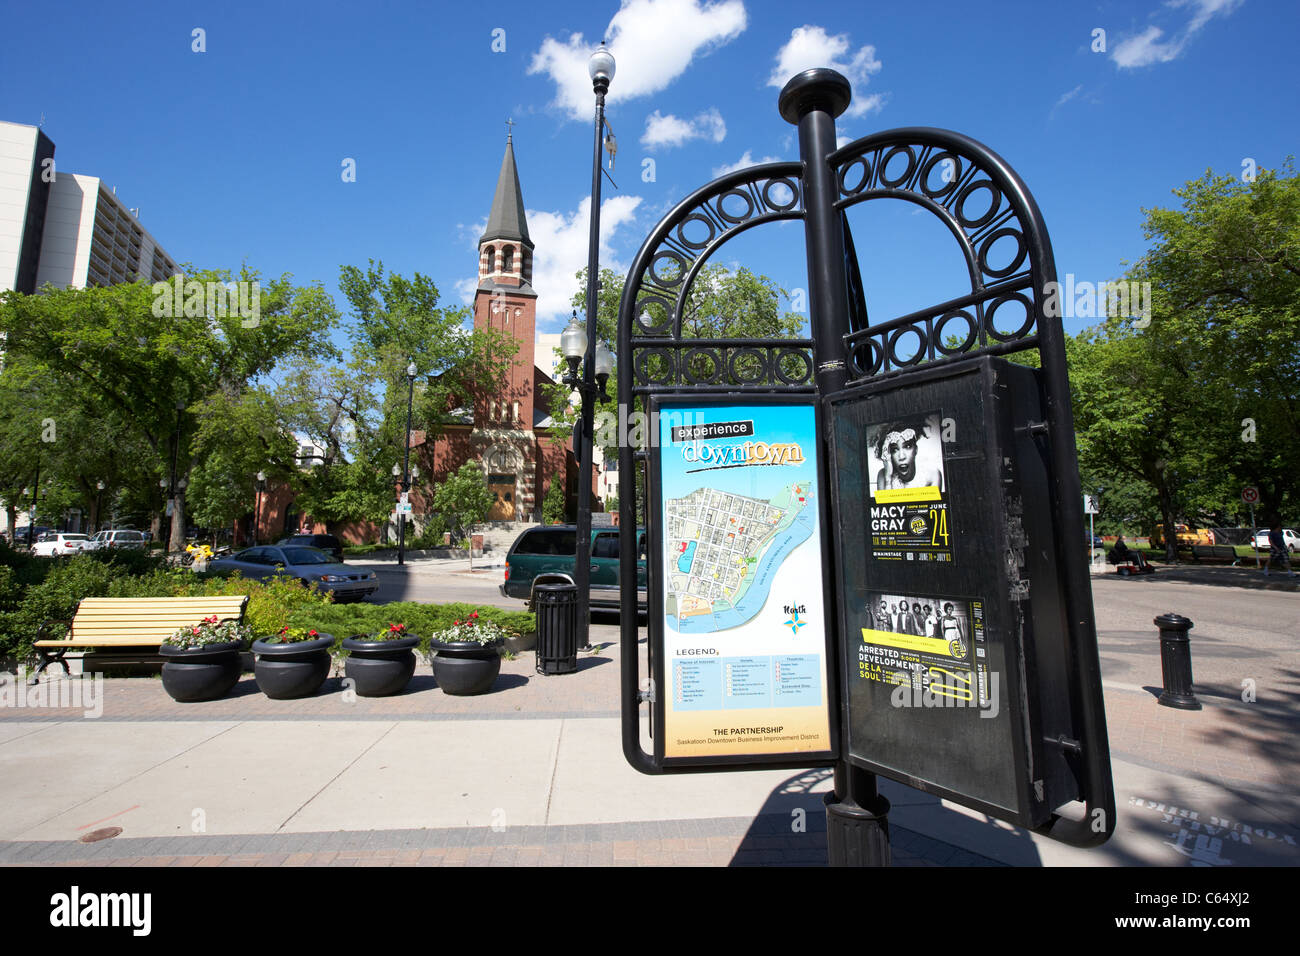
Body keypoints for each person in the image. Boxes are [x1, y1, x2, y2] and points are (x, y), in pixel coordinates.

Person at [873, 420, 944, 492]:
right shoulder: (883, 475)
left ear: (916, 450)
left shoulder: (932, 475)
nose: (901, 457)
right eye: (894, 449)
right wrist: (888, 480)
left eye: (907, 446)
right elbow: (884, 503)